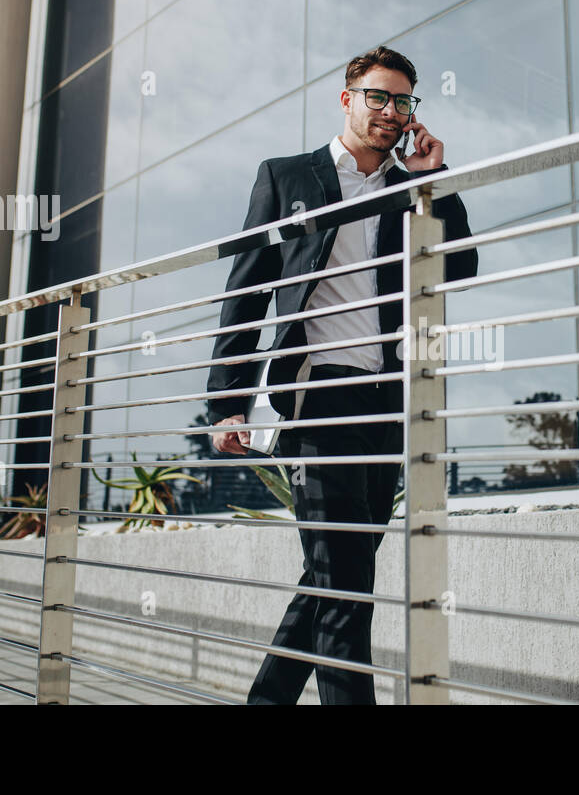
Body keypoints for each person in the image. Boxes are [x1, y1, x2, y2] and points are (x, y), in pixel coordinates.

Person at [205, 46, 479, 704]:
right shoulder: (286, 177)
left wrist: (431, 183)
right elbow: (247, 291)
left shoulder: (405, 187)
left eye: (403, 102)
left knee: (337, 576)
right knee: (346, 589)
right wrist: (227, 401)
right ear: (347, 99)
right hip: (316, 396)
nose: (390, 111)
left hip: (386, 404)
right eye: (378, 97)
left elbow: (460, 266)